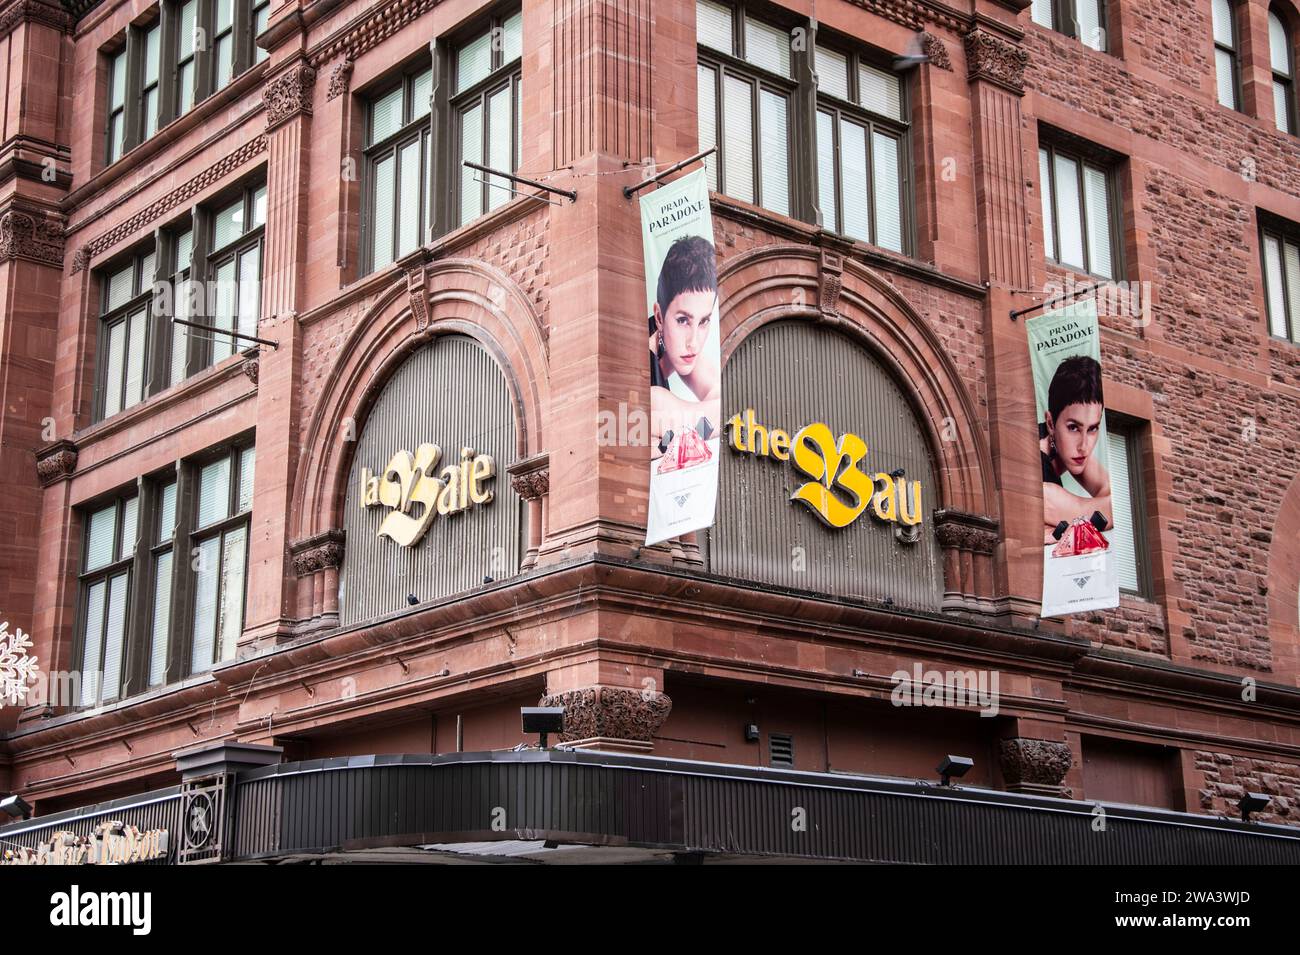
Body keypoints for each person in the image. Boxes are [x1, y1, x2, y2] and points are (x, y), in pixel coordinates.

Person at [648, 235, 721, 452]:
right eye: (683, 320)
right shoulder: (648, 389)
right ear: (659, 318)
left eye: (704, 321)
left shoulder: (679, 348)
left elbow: (727, 403)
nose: (694, 341)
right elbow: (722, 415)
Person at [1040, 354, 1113, 544]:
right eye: (1073, 427)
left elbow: (1115, 501)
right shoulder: (1037, 470)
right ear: (1050, 423)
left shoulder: (1062, 447)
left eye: (1092, 429)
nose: (1084, 446)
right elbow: (1113, 510)